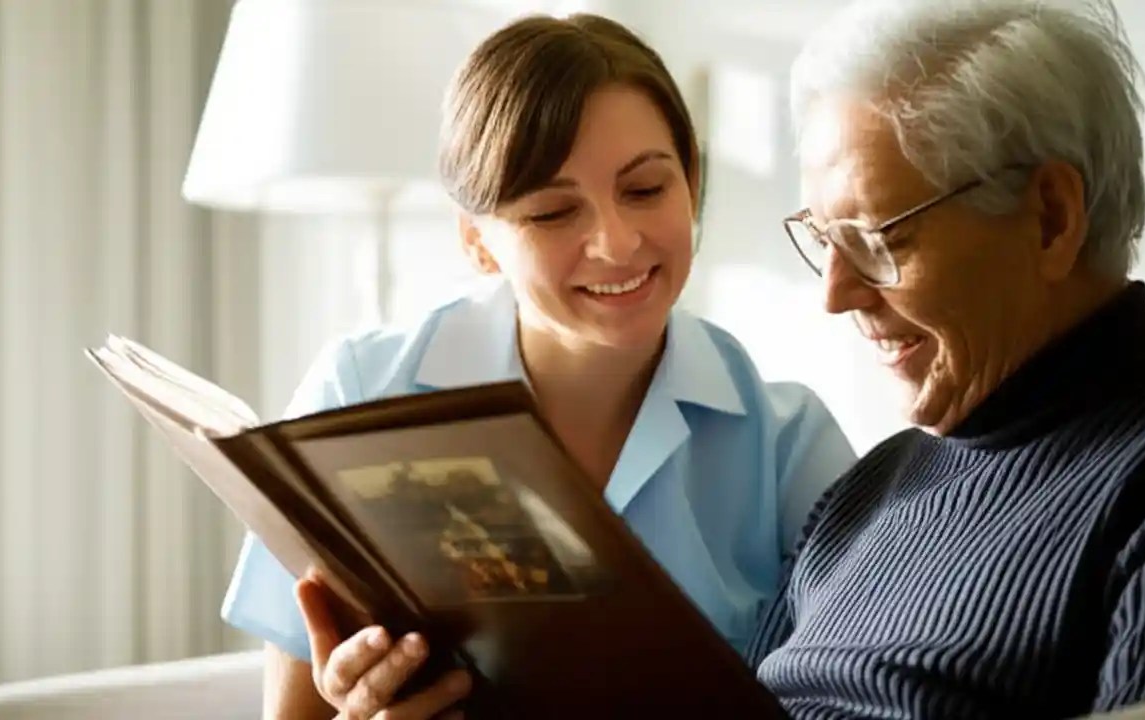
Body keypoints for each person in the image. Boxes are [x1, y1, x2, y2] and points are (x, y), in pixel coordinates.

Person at [220, 12, 857, 720]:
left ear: (692, 181)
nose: (616, 242)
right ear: (476, 241)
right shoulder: (357, 397)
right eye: (554, 212)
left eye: (645, 189)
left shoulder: (789, 448)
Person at [746, 0, 1145, 716]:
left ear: (1051, 218)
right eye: (825, 240)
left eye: (877, 240)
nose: (836, 295)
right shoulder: (868, 490)